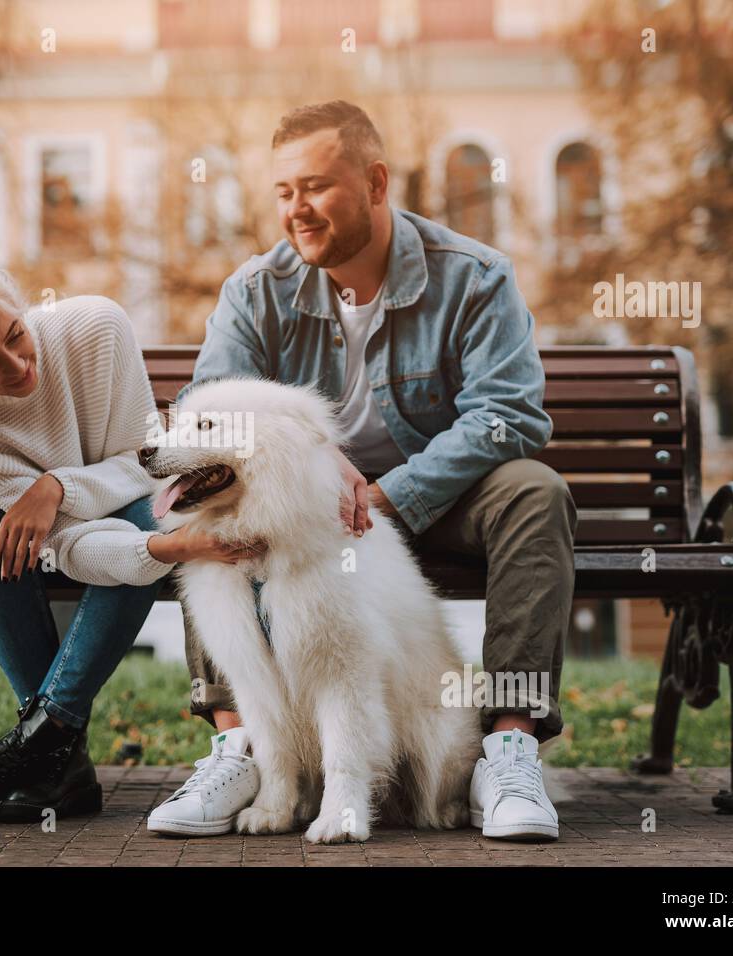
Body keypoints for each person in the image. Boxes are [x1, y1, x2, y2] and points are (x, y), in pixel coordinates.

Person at [147, 101, 577, 842]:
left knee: (536, 492)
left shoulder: (473, 278)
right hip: (306, 514)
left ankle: (508, 746)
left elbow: (509, 414)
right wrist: (318, 463)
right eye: (283, 192)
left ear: (376, 183)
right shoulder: (256, 291)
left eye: (314, 187)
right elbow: (210, 411)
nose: (295, 210)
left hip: (437, 500)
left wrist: (388, 494)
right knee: (209, 504)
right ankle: (240, 744)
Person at [0, 261, 265, 824]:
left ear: (22, 310)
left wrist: (55, 486)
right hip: (76, 539)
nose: (18, 367)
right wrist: (91, 522)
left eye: (16, 335)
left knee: (144, 518)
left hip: (136, 503)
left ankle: (43, 748)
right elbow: (68, 544)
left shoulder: (95, 327)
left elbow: (144, 469)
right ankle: (56, 753)